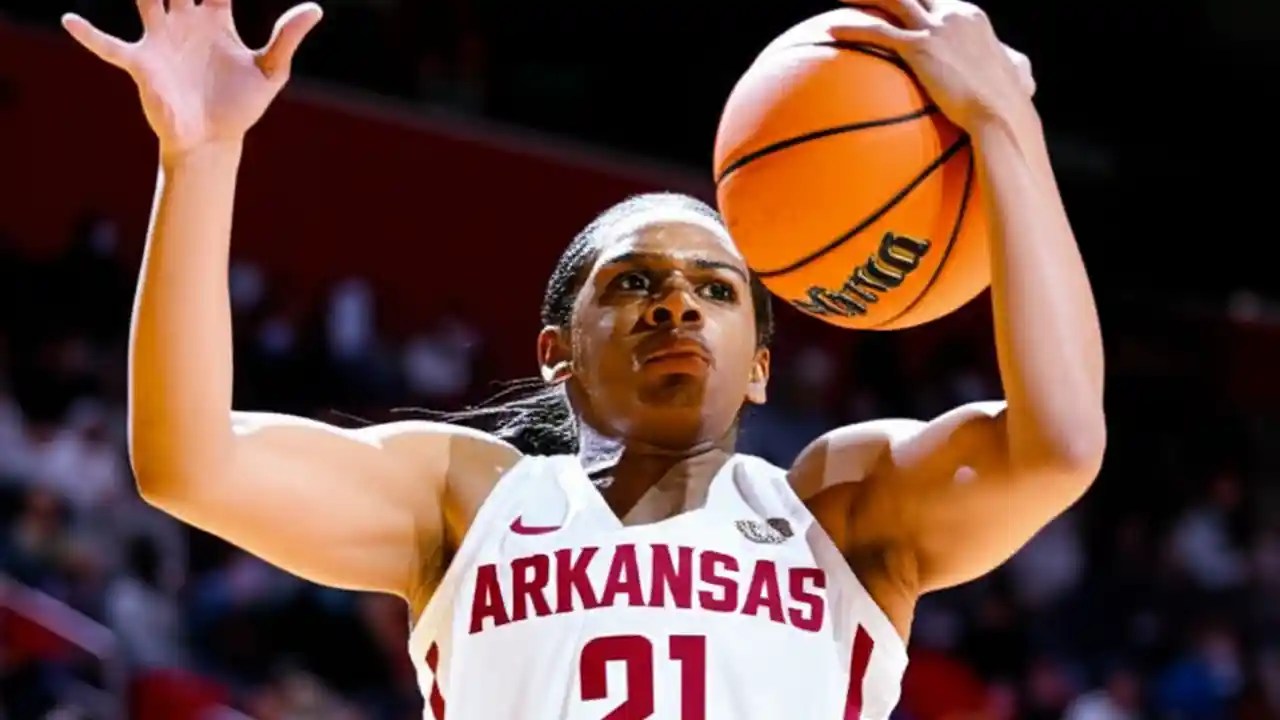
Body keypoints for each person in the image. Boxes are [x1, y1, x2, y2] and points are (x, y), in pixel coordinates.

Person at [61, 0, 1106, 716]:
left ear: (758, 366)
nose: (675, 305)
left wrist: (1002, 125)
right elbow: (186, 461)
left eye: (714, 288)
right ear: (556, 354)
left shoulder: (842, 509)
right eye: (632, 283)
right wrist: (200, 159)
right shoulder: (465, 500)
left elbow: (1057, 443)